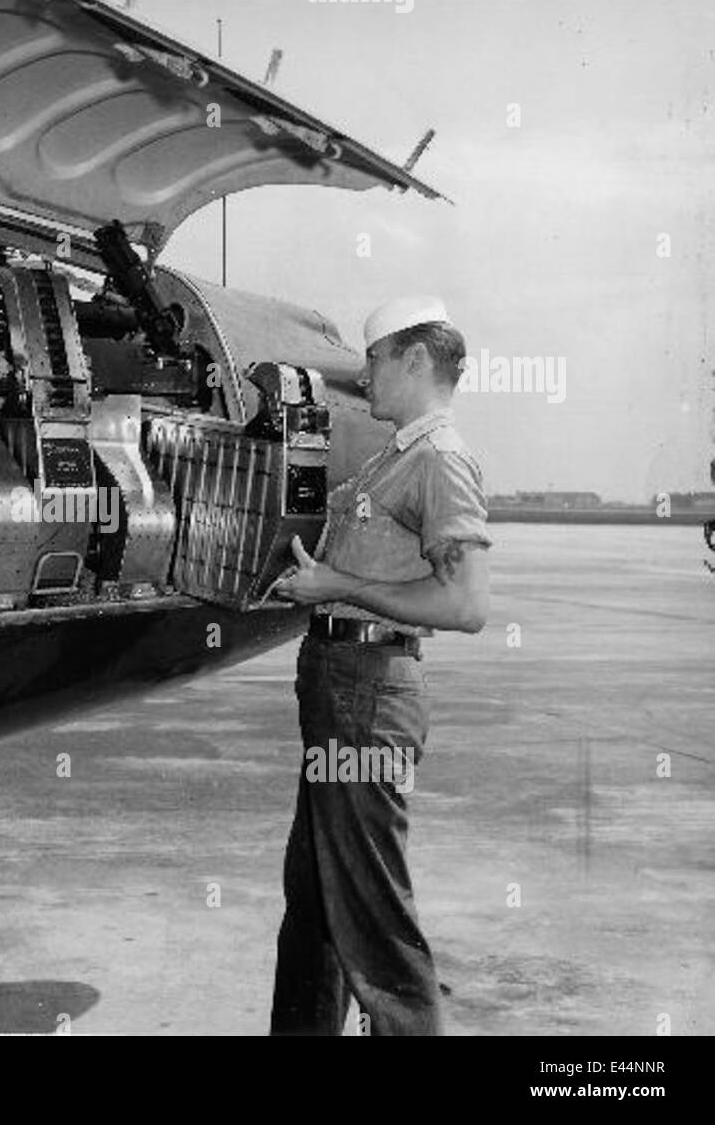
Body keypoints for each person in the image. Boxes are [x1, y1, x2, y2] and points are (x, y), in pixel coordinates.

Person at [267, 296, 492, 1035]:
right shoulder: (393, 457)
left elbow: (465, 603)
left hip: (368, 699)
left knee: (369, 908)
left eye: (373, 359)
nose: (363, 375)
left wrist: (342, 587)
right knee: (317, 897)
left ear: (416, 360)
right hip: (341, 689)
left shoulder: (440, 461)